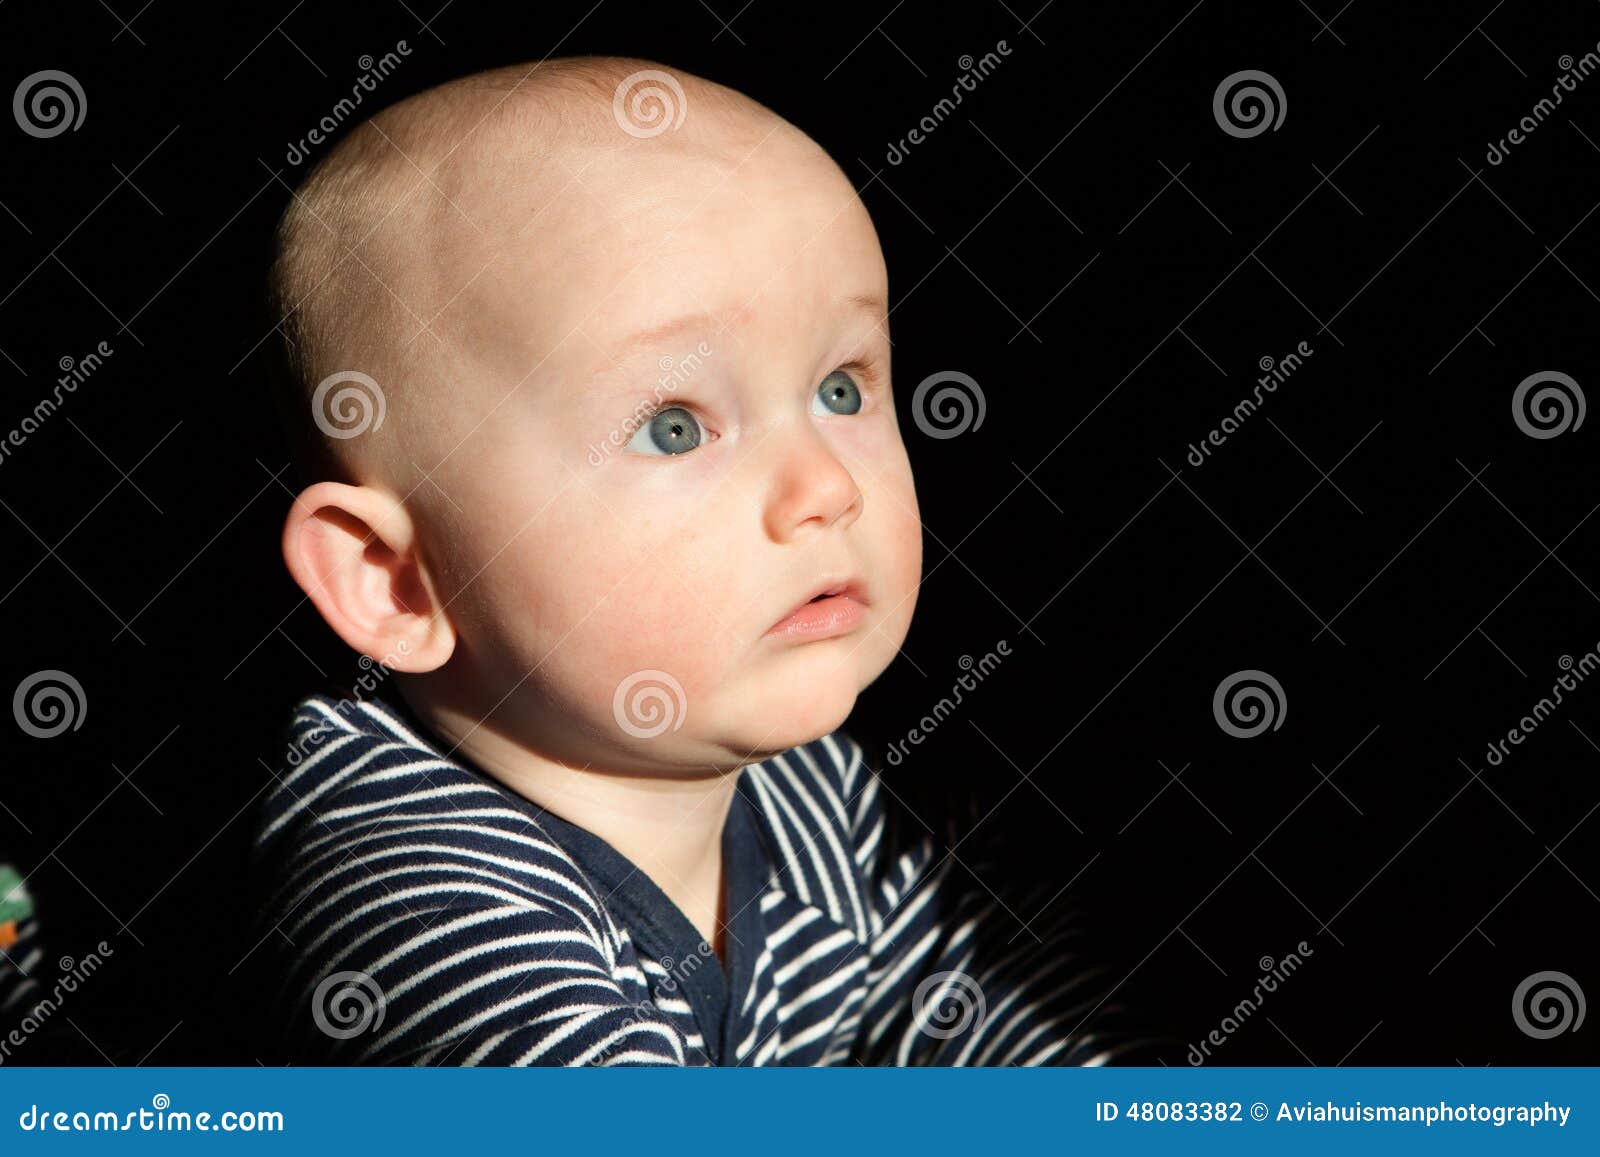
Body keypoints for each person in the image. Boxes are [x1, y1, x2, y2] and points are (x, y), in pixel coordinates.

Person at [252, 55, 1163, 1066]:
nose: (826, 485)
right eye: (674, 428)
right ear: (393, 579)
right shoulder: (411, 891)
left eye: (841, 388)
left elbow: (973, 1030)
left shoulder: (807, 792)